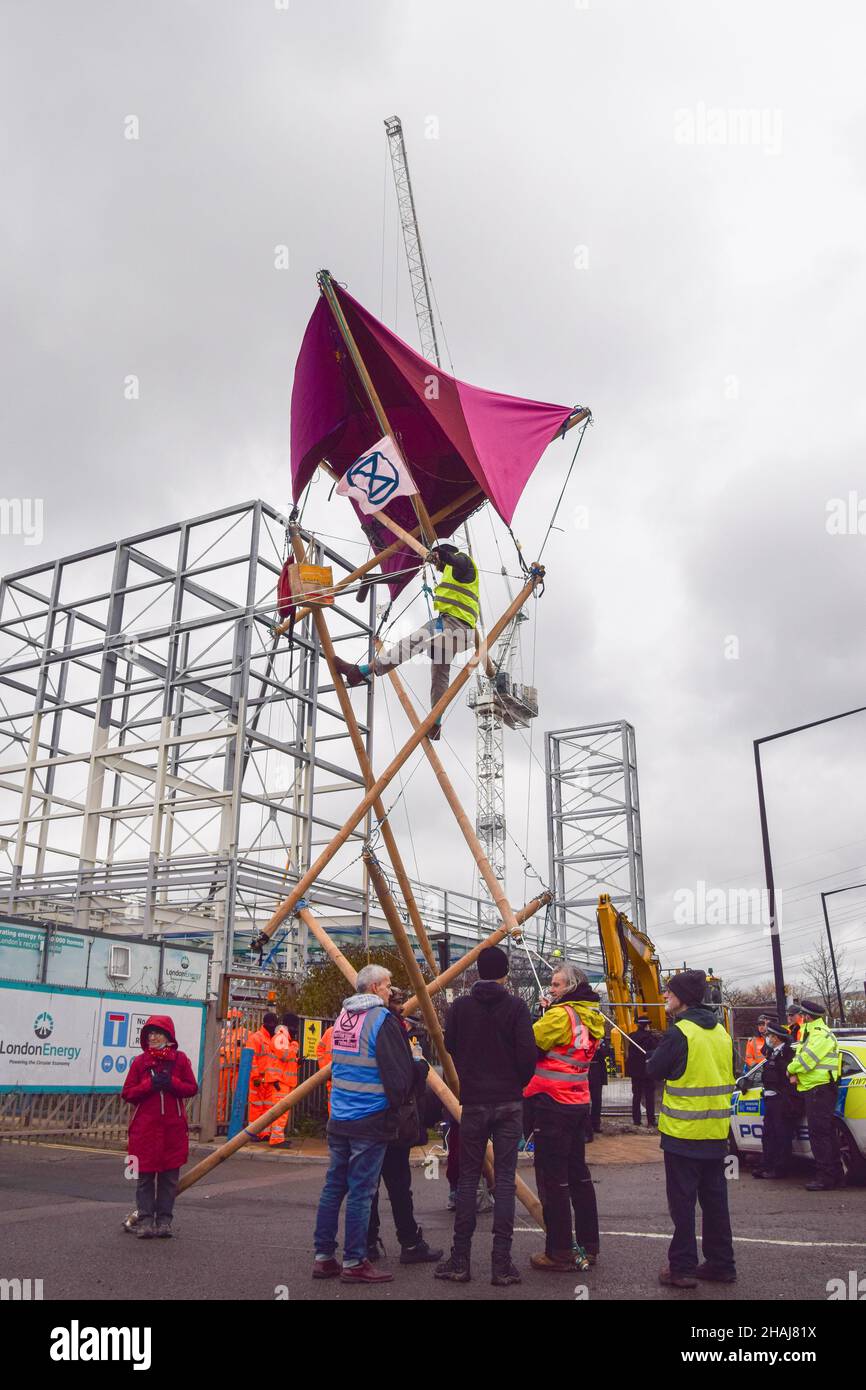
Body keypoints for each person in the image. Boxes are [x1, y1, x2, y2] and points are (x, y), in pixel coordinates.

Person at [312, 965, 426, 1285]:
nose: (391, 990)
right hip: (370, 1117)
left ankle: (323, 1257)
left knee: (333, 1188)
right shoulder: (383, 1020)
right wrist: (419, 1067)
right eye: (388, 985)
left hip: (340, 1115)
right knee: (363, 1191)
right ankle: (354, 1261)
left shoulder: (343, 1018)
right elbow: (398, 1076)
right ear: (375, 987)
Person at [435, 945, 537, 1287]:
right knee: (505, 1181)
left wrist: (472, 1073)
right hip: (508, 1102)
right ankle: (501, 1264)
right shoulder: (517, 1007)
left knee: (467, 1179)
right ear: (505, 974)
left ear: (477, 972)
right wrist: (514, 1083)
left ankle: (460, 1260)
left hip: (474, 1102)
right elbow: (528, 1055)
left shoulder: (461, 1007)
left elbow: (450, 1045)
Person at [331, 542, 480, 737]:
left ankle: (362, 671)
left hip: (453, 627)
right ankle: (436, 724)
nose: (438, 567)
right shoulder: (453, 574)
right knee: (439, 674)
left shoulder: (463, 562)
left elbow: (455, 560)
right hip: (458, 633)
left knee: (411, 643)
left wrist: (440, 554)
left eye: (439, 563)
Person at [646, 970, 736, 1289]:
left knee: (682, 1205)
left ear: (683, 997)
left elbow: (654, 1070)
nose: (665, 996)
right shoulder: (722, 1033)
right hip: (715, 1132)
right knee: (715, 1201)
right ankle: (721, 1263)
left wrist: (655, 1057)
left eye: (669, 992)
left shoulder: (680, 1032)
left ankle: (682, 1268)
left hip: (683, 1134)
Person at [524, 963, 604, 1273]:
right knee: (579, 1176)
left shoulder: (560, 1016)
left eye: (557, 985)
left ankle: (558, 1251)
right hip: (578, 1101)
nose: (551, 989)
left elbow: (528, 1043)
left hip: (551, 1103)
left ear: (570, 987)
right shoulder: (591, 1016)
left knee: (552, 1179)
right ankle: (589, 1244)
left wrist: (544, 1015)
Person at [366, 988, 443, 1267]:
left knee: (369, 1186)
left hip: (365, 1116)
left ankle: (368, 1242)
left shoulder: (359, 1022)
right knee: (398, 1184)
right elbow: (399, 1078)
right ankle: (409, 1242)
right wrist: (419, 1068)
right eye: (398, 1002)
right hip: (390, 1118)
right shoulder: (389, 1025)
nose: (401, 1008)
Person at [121, 1015, 198, 1239]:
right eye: (149, 1034)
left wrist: (172, 1083)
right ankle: (145, 1220)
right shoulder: (140, 1062)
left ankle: (164, 1221)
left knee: (168, 1178)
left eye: (157, 1033)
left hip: (172, 1132)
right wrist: (150, 1085)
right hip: (145, 1131)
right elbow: (128, 1093)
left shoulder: (180, 1060)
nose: (152, 1037)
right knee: (144, 1178)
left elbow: (192, 1087)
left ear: (168, 1036)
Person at [786, 999, 843, 1191]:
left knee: (819, 1134)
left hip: (819, 1089)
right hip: (817, 1088)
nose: (801, 1017)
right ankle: (834, 1174)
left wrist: (790, 1069)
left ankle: (825, 1177)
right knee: (825, 1133)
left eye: (803, 1015)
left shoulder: (819, 1035)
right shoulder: (812, 1033)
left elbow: (806, 1060)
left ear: (808, 1016)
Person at [748, 1020, 797, 1179]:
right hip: (770, 1098)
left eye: (769, 1035)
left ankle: (780, 1168)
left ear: (776, 1037)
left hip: (782, 1099)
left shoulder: (788, 1052)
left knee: (781, 1135)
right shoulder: (773, 1052)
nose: (767, 1037)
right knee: (768, 1134)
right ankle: (766, 1165)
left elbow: (788, 1075)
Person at [246, 1012, 282, 1140]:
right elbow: (252, 1059)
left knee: (267, 1107)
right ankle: (253, 1133)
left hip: (268, 1080)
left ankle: (265, 1133)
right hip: (258, 1079)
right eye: (272, 1024)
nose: (273, 1027)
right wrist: (255, 1077)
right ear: (265, 1024)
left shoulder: (273, 1039)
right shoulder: (256, 1038)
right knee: (256, 1107)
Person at [268, 1013, 300, 1148]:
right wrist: (294, 1046)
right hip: (279, 1082)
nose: (297, 1029)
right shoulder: (281, 1037)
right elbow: (284, 1055)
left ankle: (277, 1138)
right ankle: (276, 1140)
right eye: (295, 1026)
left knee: (282, 1112)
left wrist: (298, 1062)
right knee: (279, 1112)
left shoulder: (285, 1038)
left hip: (284, 1081)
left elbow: (287, 1062)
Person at [625, 1014, 661, 1127]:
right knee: (650, 1096)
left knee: (636, 1096)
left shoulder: (632, 1037)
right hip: (647, 1071)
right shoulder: (651, 1038)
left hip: (635, 1072)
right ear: (647, 1026)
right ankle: (651, 1120)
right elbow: (656, 1051)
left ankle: (636, 1120)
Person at [585, 1032, 612, 1141]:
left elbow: (605, 1053)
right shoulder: (583, 1037)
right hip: (586, 1071)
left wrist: (599, 1046)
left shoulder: (601, 1040)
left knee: (597, 1100)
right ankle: (586, 1125)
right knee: (585, 1101)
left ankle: (596, 1123)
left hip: (597, 1072)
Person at [316, 1022, 334, 1113]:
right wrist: (325, 1071)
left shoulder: (330, 1031)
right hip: (332, 1077)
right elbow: (319, 1049)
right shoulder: (330, 1032)